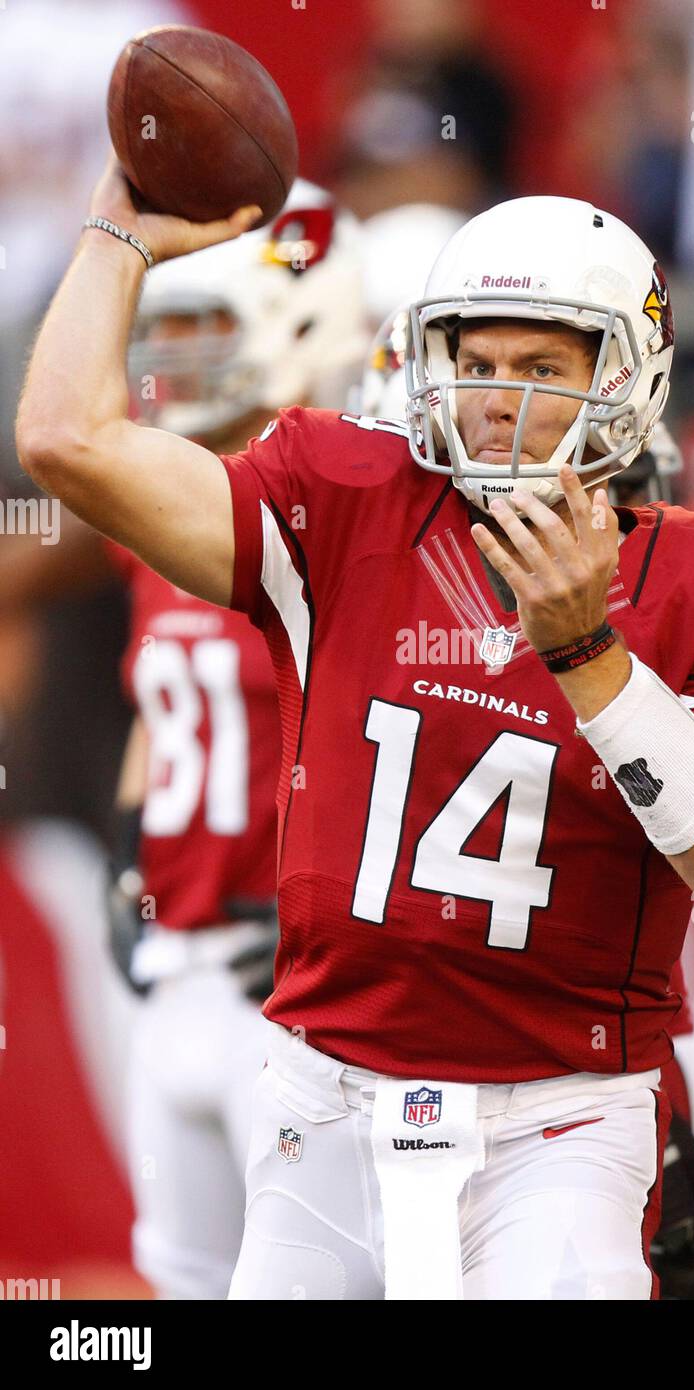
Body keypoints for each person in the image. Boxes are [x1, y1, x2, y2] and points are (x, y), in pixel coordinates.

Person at [17, 158, 694, 1300]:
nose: (497, 395)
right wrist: (114, 234)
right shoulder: (342, 498)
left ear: (626, 376)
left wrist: (588, 656)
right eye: (477, 361)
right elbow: (66, 443)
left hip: (561, 1119)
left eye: (541, 366)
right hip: (323, 1095)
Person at [9, 179, 367, 1300]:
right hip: (182, 968)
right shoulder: (163, 509)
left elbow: (404, 734)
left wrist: (344, 909)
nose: (177, 369)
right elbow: (162, 715)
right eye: (164, 337)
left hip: (300, 986)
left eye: (205, 331)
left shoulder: (353, 515)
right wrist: (129, 856)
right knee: (180, 1283)